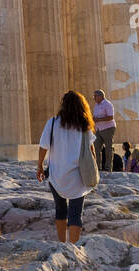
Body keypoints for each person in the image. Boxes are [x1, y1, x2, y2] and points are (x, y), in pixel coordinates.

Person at [37, 91, 97, 244]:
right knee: (76, 213)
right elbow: (91, 149)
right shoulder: (84, 124)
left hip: (57, 175)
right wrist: (94, 166)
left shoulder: (52, 122)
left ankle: (62, 244)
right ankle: (73, 247)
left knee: (60, 209)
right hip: (78, 176)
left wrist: (39, 166)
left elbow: (43, 146)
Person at [91, 90, 116, 172]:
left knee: (108, 148)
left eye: (95, 96)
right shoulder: (96, 106)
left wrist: (99, 119)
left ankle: (108, 167)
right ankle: (97, 167)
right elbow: (95, 117)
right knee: (96, 148)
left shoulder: (108, 104)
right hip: (98, 129)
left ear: (100, 96)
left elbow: (111, 117)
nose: (94, 98)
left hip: (108, 128)